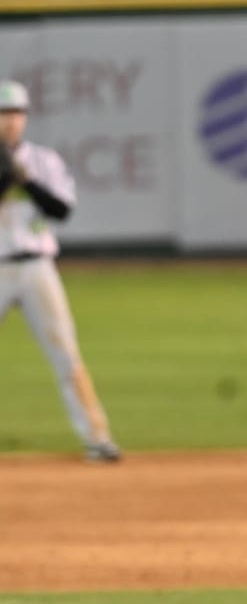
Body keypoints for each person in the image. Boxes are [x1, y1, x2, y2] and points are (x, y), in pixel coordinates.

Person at [0, 79, 120, 464]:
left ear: (26, 117)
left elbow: (61, 210)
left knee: (66, 354)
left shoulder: (44, 161)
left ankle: (98, 438)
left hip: (37, 268)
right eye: (3, 113)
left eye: (16, 113)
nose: (10, 121)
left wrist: (25, 179)